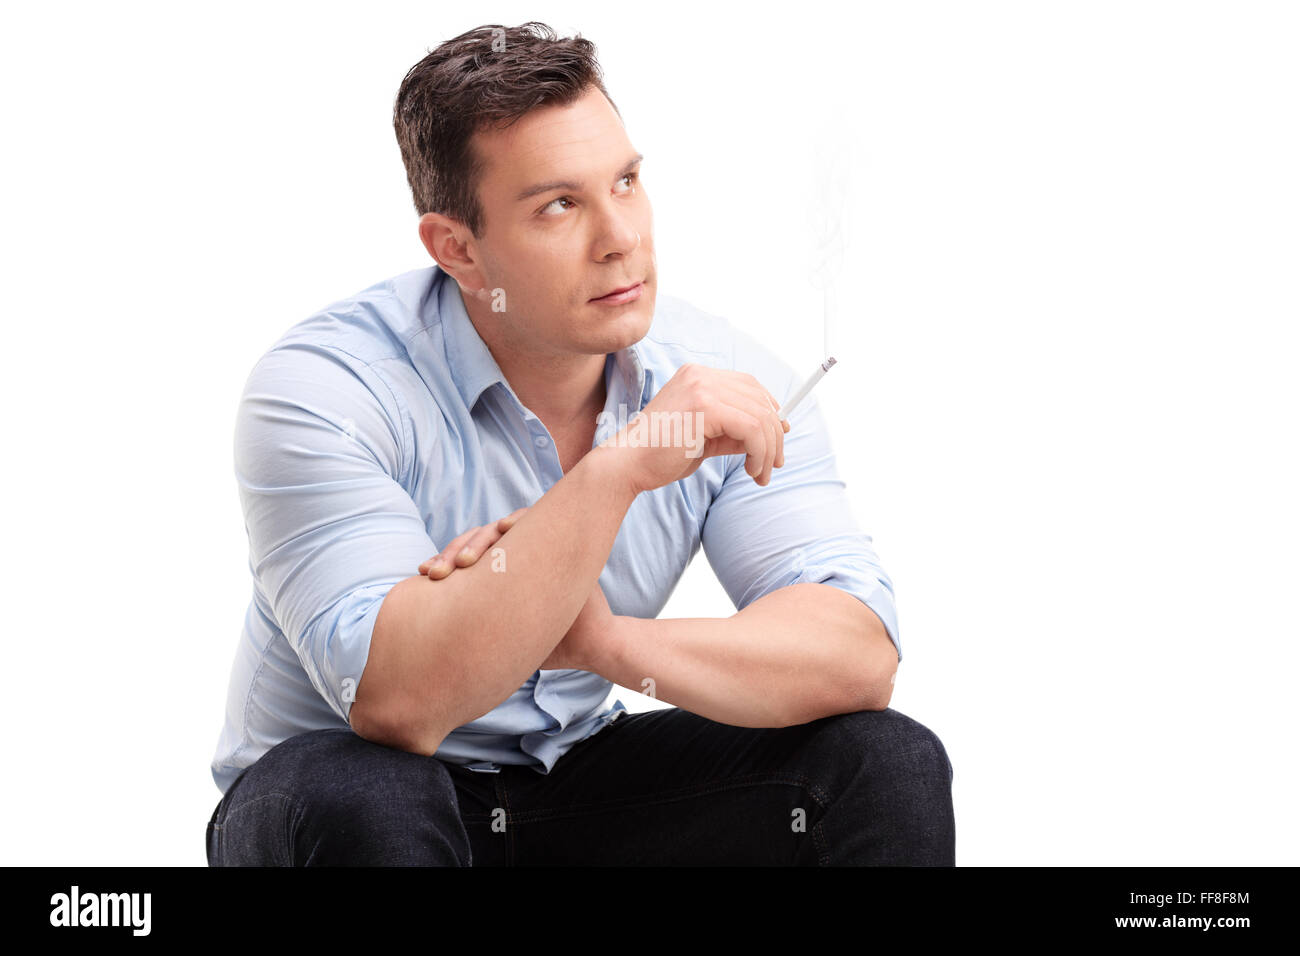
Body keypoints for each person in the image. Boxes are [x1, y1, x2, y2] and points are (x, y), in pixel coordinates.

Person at [206, 21, 955, 866]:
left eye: (627, 182)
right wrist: (616, 471)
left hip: (572, 788)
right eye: (559, 204)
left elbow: (855, 655)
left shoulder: (723, 381)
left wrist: (602, 644)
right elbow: (401, 704)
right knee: (367, 793)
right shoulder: (329, 390)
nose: (620, 237)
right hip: (350, 792)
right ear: (457, 248)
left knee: (883, 760)